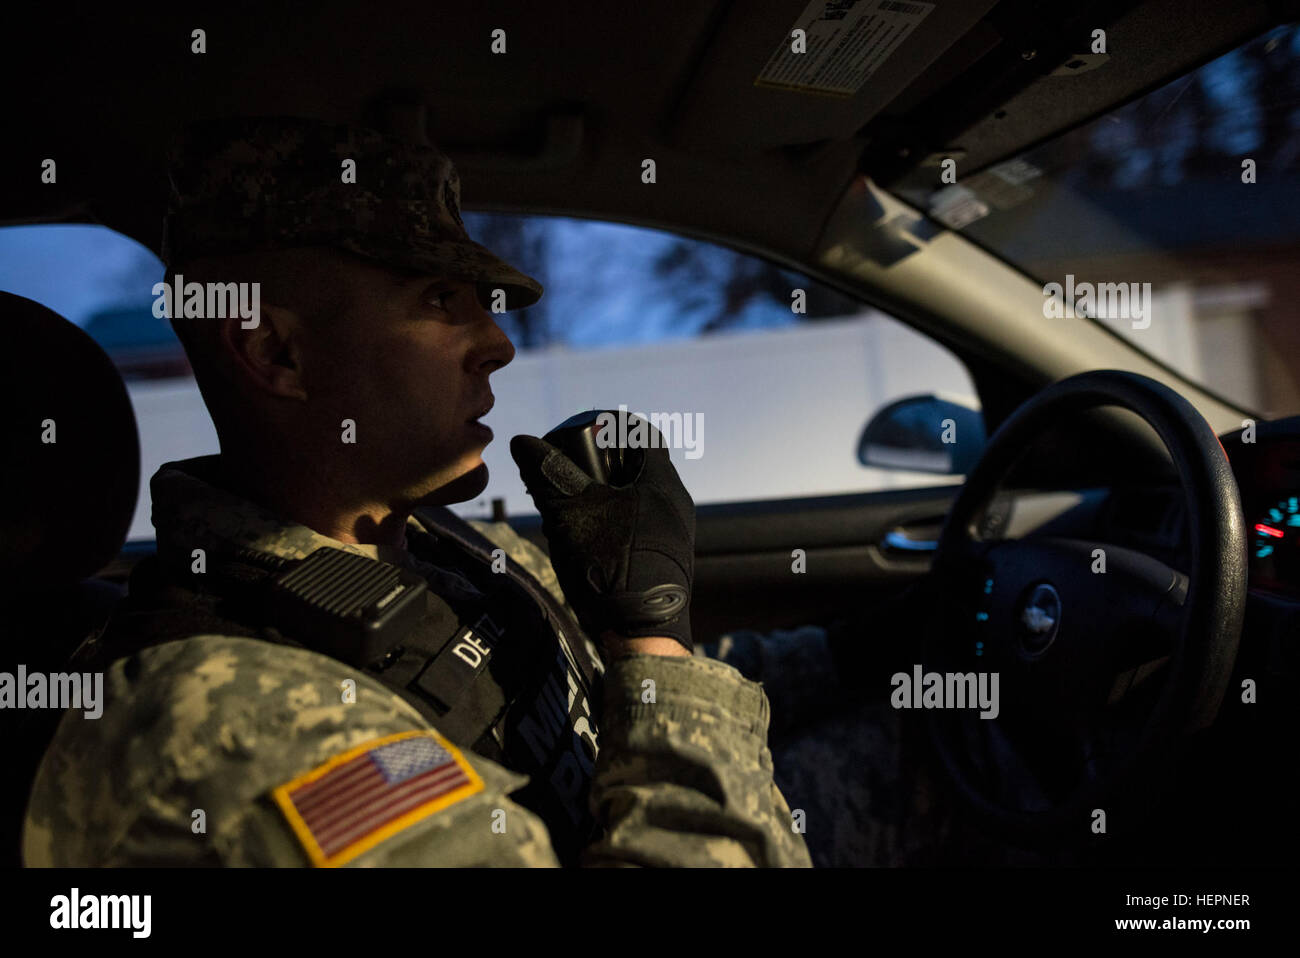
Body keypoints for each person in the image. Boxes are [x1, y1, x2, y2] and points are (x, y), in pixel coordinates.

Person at [21, 116, 821, 868]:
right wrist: (656, 645)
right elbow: (660, 691)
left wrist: (865, 645)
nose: (498, 344)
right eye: (440, 300)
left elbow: (627, 699)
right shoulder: (227, 717)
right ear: (278, 357)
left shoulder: (449, 551)